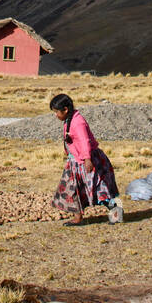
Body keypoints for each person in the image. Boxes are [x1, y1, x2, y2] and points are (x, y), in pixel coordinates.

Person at [49, 94, 121, 226]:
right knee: (72, 189)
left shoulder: (78, 122)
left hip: (88, 161)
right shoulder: (70, 120)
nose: (55, 115)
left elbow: (84, 141)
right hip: (75, 161)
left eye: (56, 112)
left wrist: (87, 159)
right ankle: (78, 216)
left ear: (65, 110)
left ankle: (116, 213)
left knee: (100, 188)